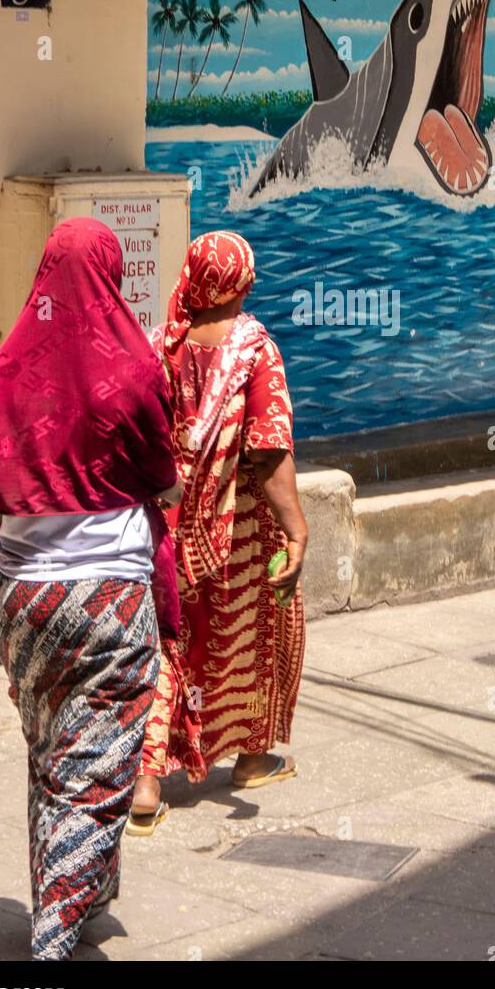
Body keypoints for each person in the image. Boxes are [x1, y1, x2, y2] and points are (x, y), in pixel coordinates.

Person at [0, 217, 182, 959]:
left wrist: (40, 481)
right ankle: (51, 946)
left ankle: (78, 897)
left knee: (55, 753)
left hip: (25, 598)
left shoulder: (10, 364)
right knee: (93, 770)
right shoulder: (133, 368)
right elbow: (160, 470)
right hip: (110, 597)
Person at [129, 230, 307, 834]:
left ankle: (148, 779)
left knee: (170, 641)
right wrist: (297, 529)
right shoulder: (255, 349)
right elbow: (266, 450)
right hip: (240, 532)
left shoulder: (163, 344)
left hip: (173, 522)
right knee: (251, 639)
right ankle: (253, 757)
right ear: (244, 283)